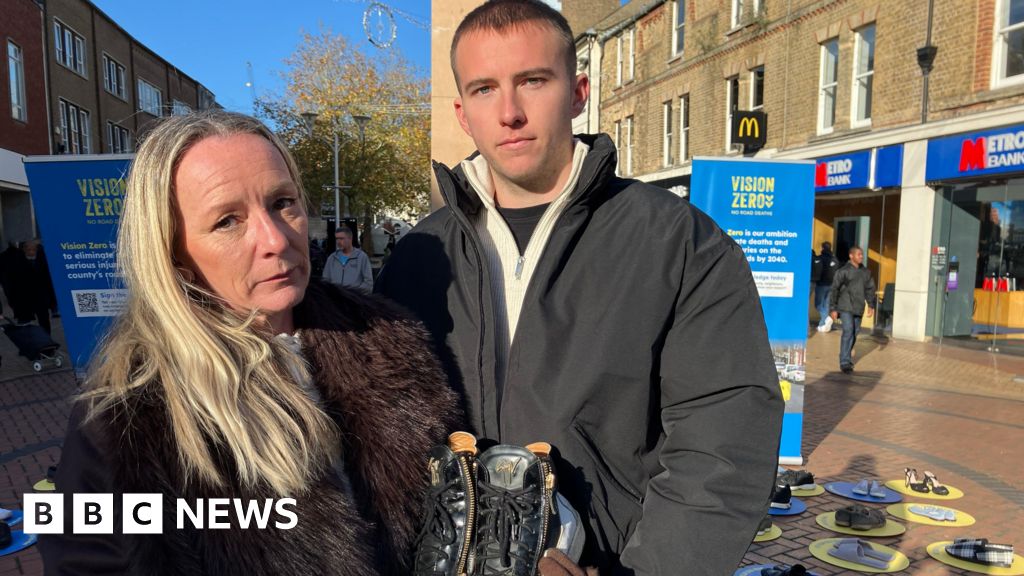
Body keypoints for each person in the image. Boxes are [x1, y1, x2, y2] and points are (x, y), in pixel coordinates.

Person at [377, 1, 784, 573]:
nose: (510, 112)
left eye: (533, 81)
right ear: (463, 113)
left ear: (577, 92)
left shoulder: (678, 243)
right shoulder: (421, 256)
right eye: (485, 89)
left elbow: (723, 439)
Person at [38, 110, 462, 575]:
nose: (275, 239)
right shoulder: (127, 411)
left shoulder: (387, 337)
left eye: (283, 202)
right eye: (227, 221)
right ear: (172, 251)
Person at [829, 245, 877, 373]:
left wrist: (871, 305)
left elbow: (870, 289)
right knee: (848, 331)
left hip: (859, 307)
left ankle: (846, 354)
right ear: (851, 256)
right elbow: (834, 289)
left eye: (862, 254)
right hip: (845, 306)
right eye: (858, 254)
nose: (861, 257)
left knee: (855, 334)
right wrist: (833, 308)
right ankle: (845, 362)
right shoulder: (843, 271)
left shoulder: (866, 272)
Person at [323, 227, 373, 293]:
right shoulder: (332, 258)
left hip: (354, 300)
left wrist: (353, 294)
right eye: (337, 239)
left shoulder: (361, 257)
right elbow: (325, 280)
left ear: (350, 239)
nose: (338, 241)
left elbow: (368, 283)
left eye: (341, 238)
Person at [813, 241, 839, 332]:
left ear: (822, 248)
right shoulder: (835, 259)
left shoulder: (820, 258)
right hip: (832, 285)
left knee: (818, 305)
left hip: (821, 284)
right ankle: (823, 324)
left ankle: (827, 319)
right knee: (826, 305)